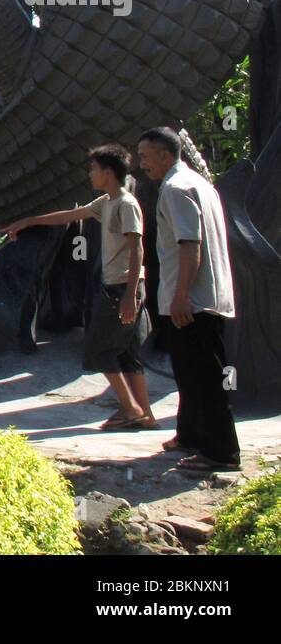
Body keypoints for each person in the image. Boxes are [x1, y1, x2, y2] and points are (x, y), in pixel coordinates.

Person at [4, 145, 156, 429]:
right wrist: (29, 221)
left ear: (108, 173)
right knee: (128, 354)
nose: (90, 174)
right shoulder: (106, 202)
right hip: (122, 288)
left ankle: (131, 409)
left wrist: (129, 296)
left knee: (99, 351)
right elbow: (69, 216)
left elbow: (137, 249)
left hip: (122, 288)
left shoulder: (125, 204)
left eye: (93, 169)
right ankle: (145, 415)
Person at [137, 127, 240, 472]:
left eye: (145, 157)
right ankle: (191, 435)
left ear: (165, 155)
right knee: (189, 372)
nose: (141, 164)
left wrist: (181, 295)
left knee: (204, 377)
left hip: (192, 301)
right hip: (205, 296)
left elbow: (189, 244)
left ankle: (221, 453)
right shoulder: (201, 184)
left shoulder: (175, 189)